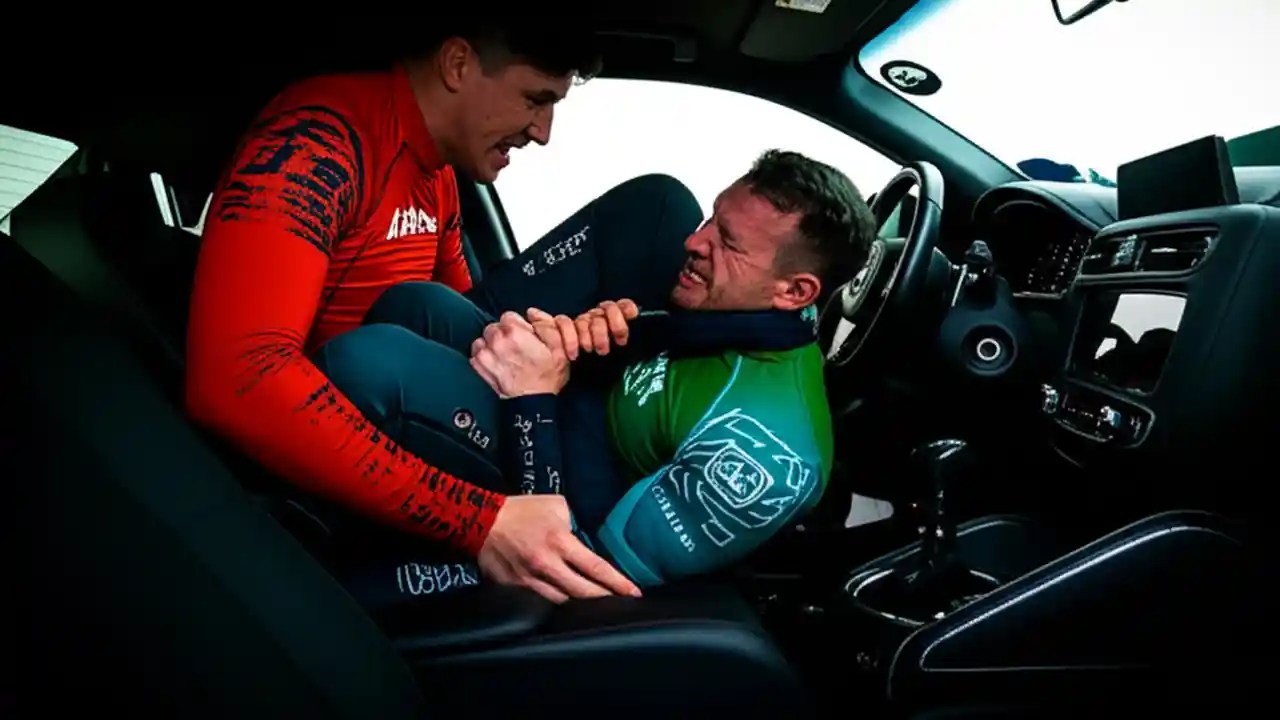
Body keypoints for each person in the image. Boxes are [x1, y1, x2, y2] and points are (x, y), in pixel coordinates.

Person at [185, 19, 703, 604]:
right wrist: (479, 521)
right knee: (376, 356)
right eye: (535, 100)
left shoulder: (437, 175)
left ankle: (623, 423)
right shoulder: (315, 144)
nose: (543, 132)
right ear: (457, 64)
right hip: (343, 444)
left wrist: (560, 346)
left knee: (655, 207)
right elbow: (239, 375)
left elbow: (462, 327)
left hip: (442, 413)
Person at [332, 149, 877, 603]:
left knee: (373, 364)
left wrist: (531, 399)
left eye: (727, 243)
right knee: (418, 305)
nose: (694, 242)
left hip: (556, 503)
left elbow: (584, 569)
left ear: (795, 291)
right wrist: (587, 340)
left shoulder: (768, 456)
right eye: (711, 219)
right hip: (564, 415)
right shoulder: (743, 315)